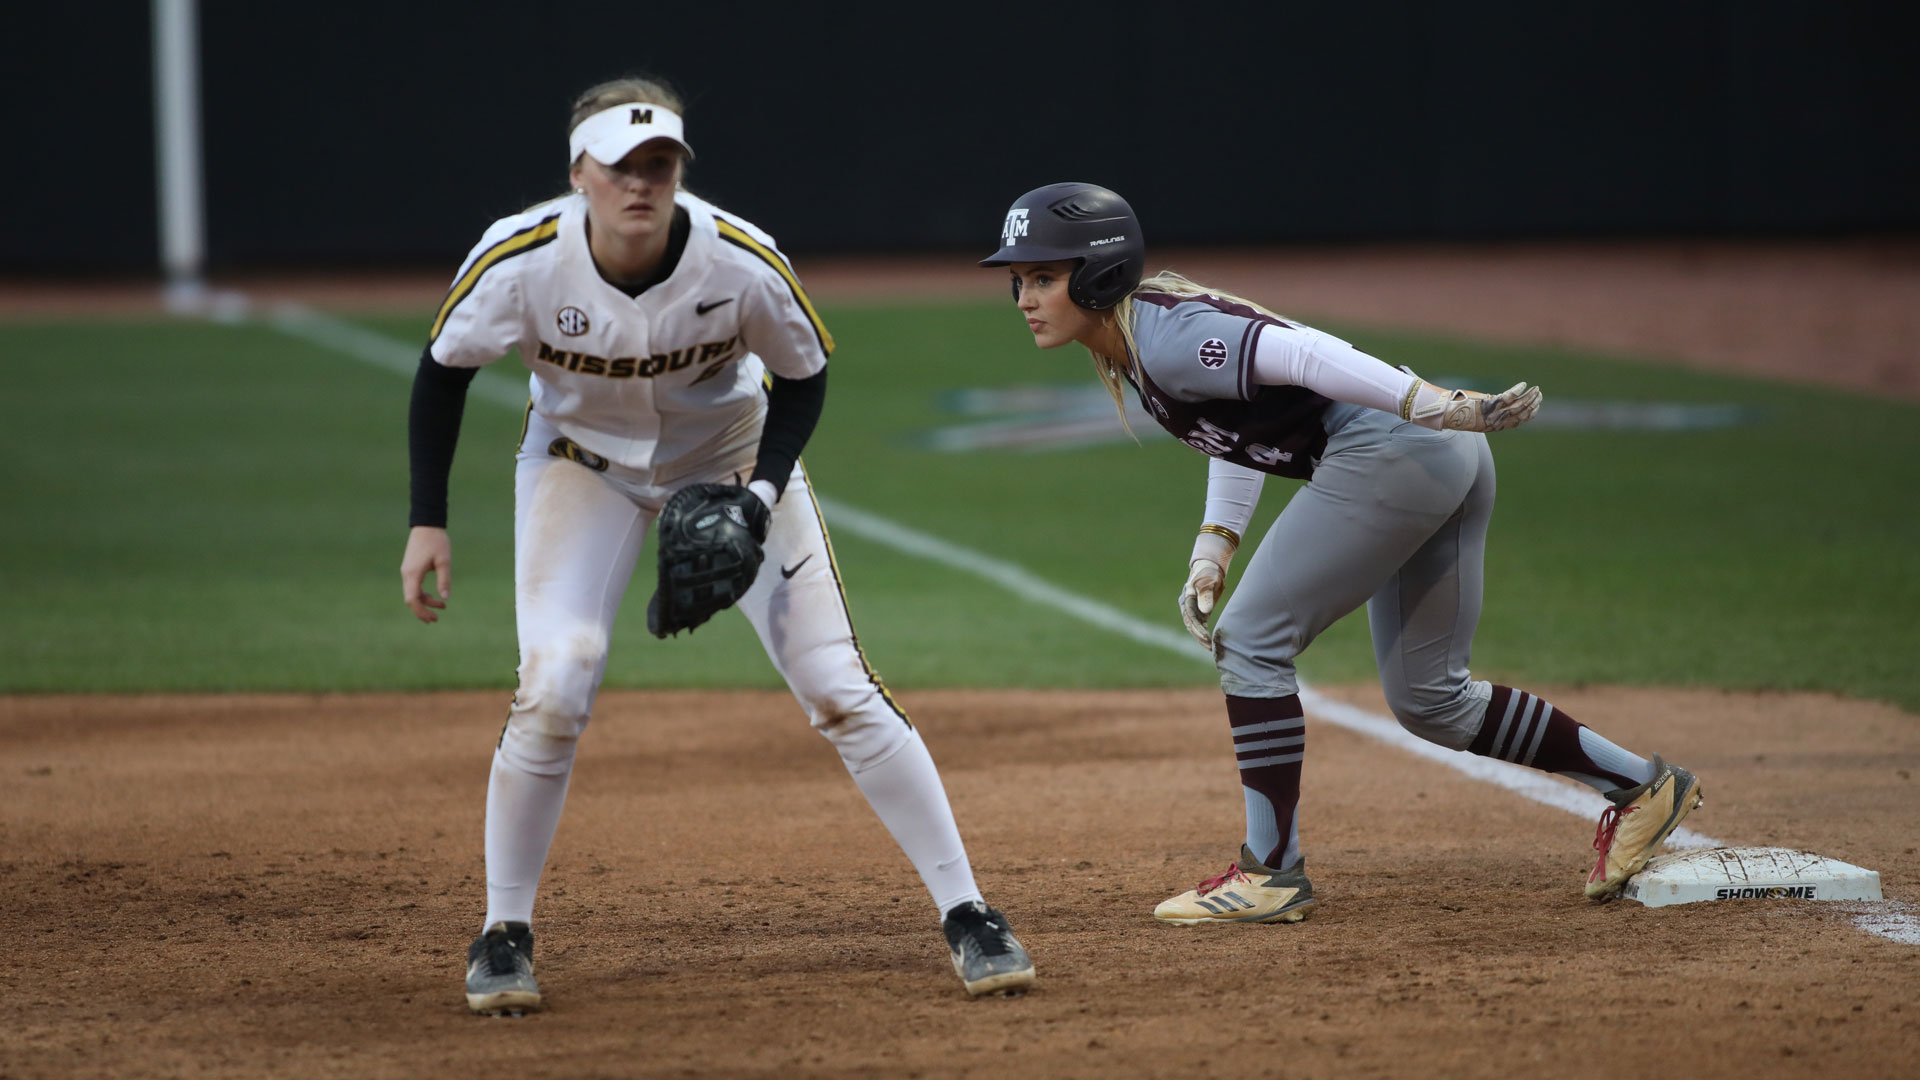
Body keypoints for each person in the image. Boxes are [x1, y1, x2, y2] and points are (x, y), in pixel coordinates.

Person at [401, 77, 1034, 1012]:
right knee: (557, 676)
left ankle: (970, 913)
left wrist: (761, 496)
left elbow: (805, 377)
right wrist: (428, 519)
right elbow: (443, 373)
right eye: (621, 165)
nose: (641, 185)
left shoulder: (740, 260)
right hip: (583, 469)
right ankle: (502, 934)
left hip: (732, 459)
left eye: (659, 165)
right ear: (580, 172)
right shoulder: (521, 261)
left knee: (836, 685)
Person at [980, 182, 1704, 924]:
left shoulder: (1163, 337)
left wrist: (1430, 402)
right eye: (1020, 280)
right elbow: (1234, 424)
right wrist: (1214, 547)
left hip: (1394, 450)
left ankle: (1272, 874)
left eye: (1043, 277)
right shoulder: (1145, 337)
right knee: (1431, 700)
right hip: (1430, 456)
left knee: (1252, 640)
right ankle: (1644, 786)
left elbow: (1304, 352)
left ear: (1098, 273)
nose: (1024, 297)